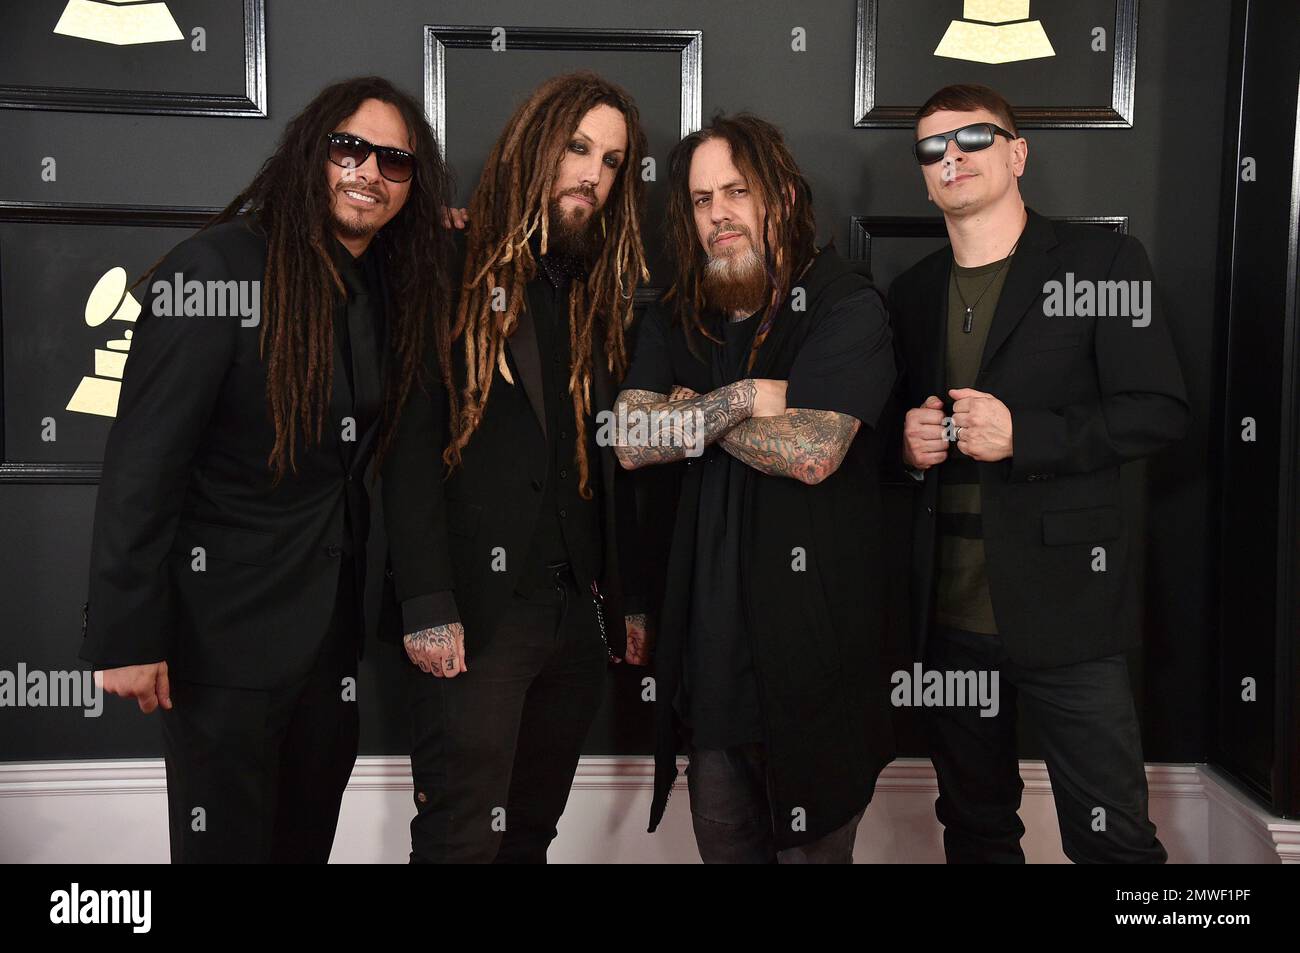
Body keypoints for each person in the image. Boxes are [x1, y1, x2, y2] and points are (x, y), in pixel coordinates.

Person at [81, 76, 456, 863]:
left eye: (394, 162)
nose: (369, 172)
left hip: (329, 650)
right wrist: (125, 635)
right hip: (220, 645)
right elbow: (142, 466)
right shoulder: (212, 270)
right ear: (311, 152)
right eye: (350, 149)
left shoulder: (391, 285)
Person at [888, 83, 1189, 863]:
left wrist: (1025, 434)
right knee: (975, 833)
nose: (951, 156)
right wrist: (907, 449)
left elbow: (1158, 409)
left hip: (1070, 615)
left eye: (973, 139)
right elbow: (894, 435)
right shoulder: (911, 293)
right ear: (923, 176)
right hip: (948, 621)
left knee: (1116, 843)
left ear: (1017, 153)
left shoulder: (1102, 262)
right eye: (932, 148)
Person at [383, 71, 651, 863]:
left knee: (530, 835)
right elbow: (407, 445)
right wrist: (426, 602)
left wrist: (627, 598)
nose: (592, 175)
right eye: (578, 148)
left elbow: (614, 463)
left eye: (611, 162)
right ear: (536, 146)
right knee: (460, 838)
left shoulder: (600, 287)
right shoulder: (451, 263)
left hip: (576, 619)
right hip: (477, 615)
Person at [615, 113, 897, 863]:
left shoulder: (844, 304)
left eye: (737, 192)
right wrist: (744, 399)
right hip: (708, 671)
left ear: (782, 196)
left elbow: (814, 452)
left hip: (815, 669)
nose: (719, 214)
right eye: (703, 199)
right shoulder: (679, 313)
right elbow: (631, 441)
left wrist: (691, 416)